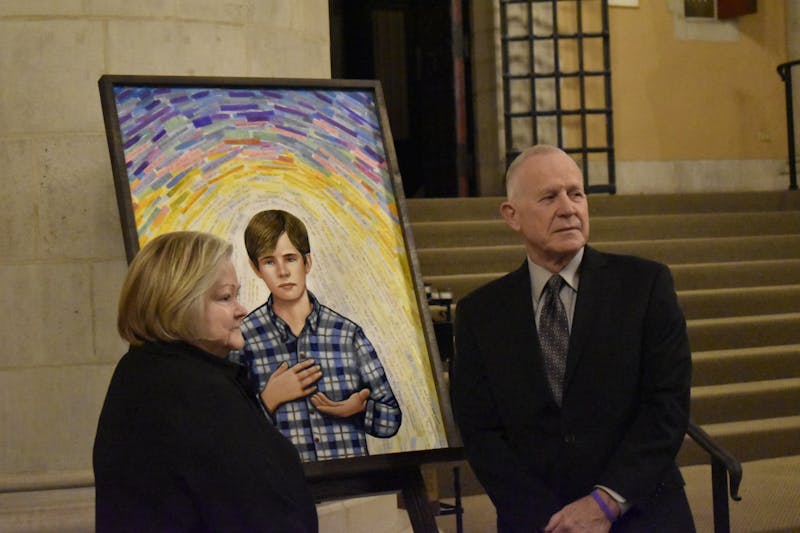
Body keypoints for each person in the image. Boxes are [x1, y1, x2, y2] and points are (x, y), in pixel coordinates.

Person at [451, 145, 694, 532]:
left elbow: (666, 408)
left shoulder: (645, 286)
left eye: (576, 193)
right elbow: (482, 433)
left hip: (641, 512)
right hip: (539, 522)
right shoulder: (480, 314)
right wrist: (550, 521)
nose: (568, 208)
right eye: (549, 197)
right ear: (511, 215)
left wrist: (605, 503)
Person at [93, 231, 318, 533]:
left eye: (236, 295)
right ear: (179, 303)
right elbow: (255, 508)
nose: (241, 310)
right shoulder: (192, 389)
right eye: (225, 297)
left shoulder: (142, 370)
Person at [230, 209, 402, 462]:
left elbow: (391, 419)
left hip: (355, 484)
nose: (282, 271)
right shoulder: (242, 338)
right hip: (281, 491)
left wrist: (359, 410)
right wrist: (269, 399)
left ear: (306, 262)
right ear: (256, 269)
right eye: (269, 261)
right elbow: (230, 434)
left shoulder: (347, 334)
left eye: (290, 259)